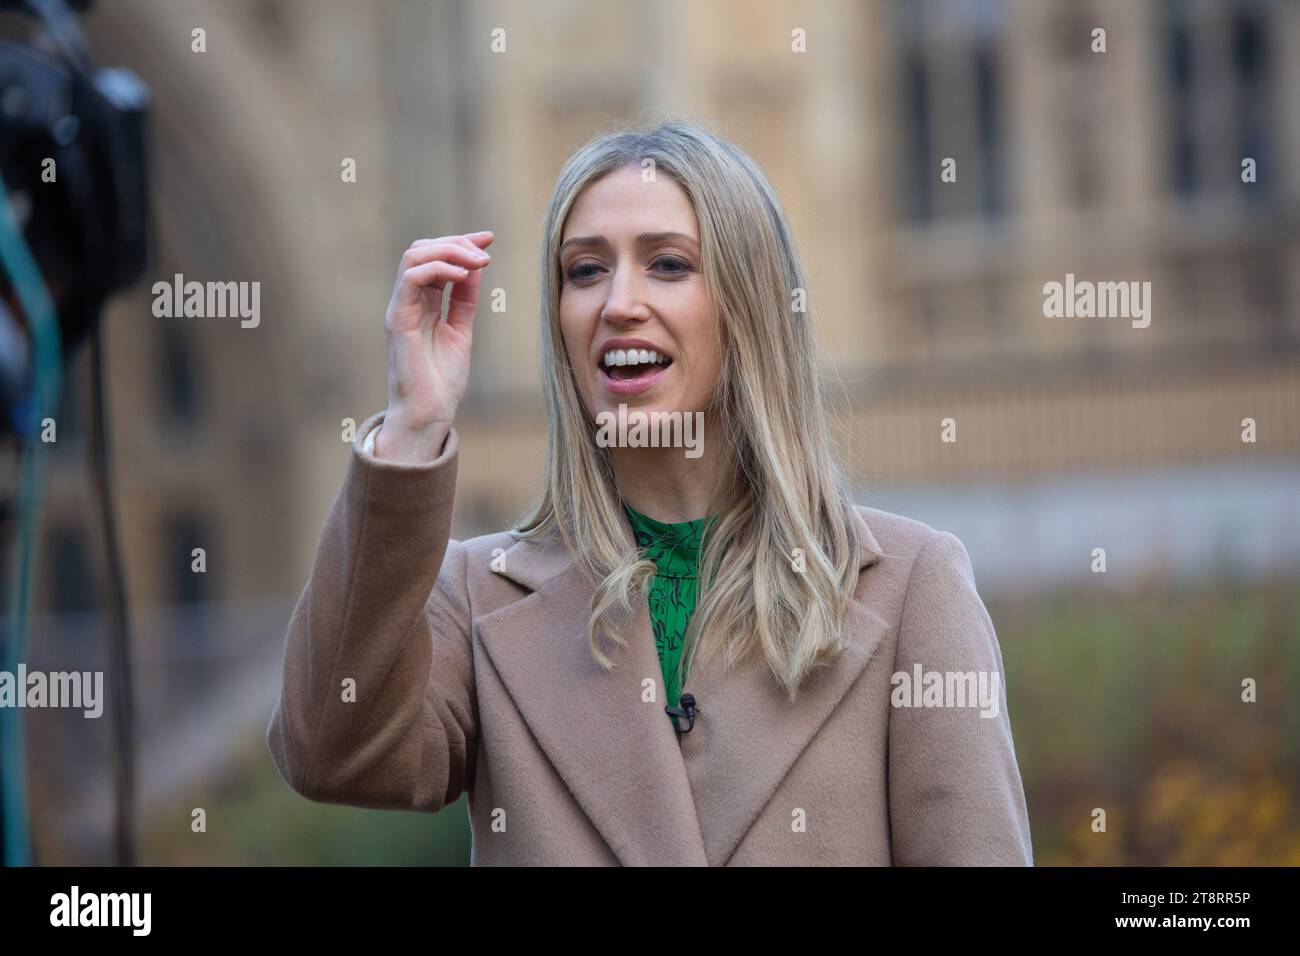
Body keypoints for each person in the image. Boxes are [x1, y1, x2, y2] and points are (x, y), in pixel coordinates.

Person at [266, 121, 1033, 866]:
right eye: (585, 270)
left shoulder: (908, 587)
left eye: (668, 264)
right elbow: (330, 751)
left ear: (750, 306)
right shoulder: (479, 597)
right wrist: (411, 427)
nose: (617, 303)